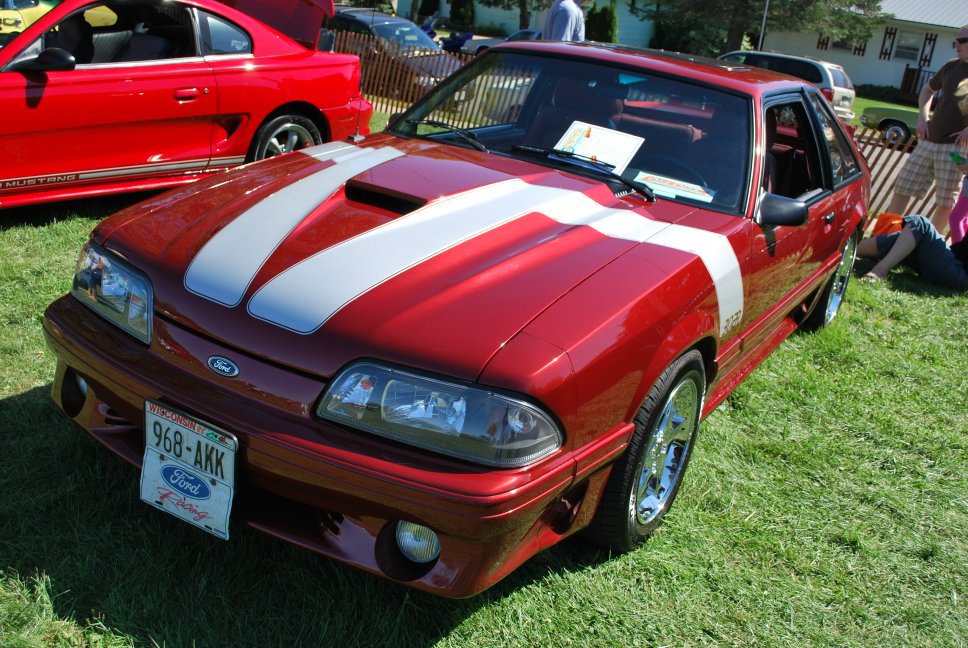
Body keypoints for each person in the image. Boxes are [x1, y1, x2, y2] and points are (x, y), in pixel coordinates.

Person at [885, 24, 968, 234]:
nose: (956, 45)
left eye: (962, 41)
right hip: (929, 141)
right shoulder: (951, 66)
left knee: (946, 202)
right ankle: (885, 236)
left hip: (956, 148)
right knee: (903, 186)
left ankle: (929, 246)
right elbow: (927, 90)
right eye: (956, 41)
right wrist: (923, 118)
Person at [858, 214, 968, 290]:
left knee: (921, 224)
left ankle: (880, 271)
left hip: (958, 274)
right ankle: (845, 250)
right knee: (907, 238)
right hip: (952, 262)